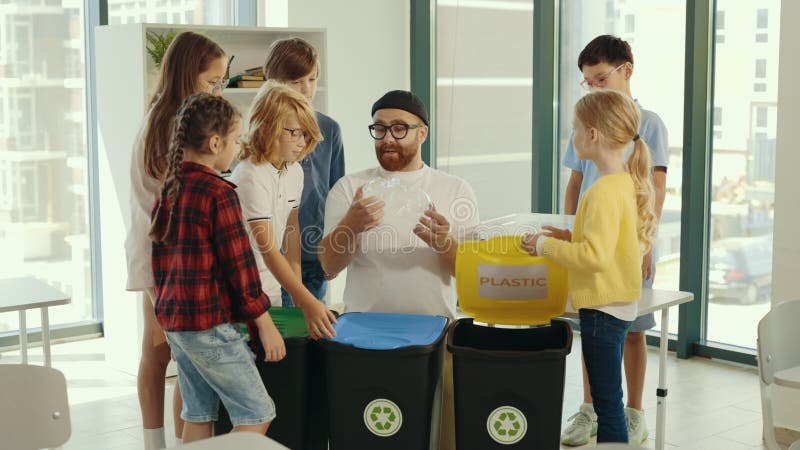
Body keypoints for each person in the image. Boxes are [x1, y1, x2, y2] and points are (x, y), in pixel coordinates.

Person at [319, 90, 479, 450]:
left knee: (433, 435)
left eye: (398, 128)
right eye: (379, 129)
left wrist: (444, 243)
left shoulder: (454, 190)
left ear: (422, 133)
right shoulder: (349, 189)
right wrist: (351, 225)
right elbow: (328, 266)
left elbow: (470, 277)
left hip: (434, 338)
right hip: (364, 338)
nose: (388, 137)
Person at [149, 93, 285, 444]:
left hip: (177, 326)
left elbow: (160, 267)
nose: (238, 149)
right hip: (209, 326)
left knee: (198, 414)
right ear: (214, 142)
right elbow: (240, 268)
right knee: (257, 412)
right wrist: (265, 323)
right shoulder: (219, 193)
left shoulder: (168, 191)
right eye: (236, 140)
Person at [523, 89, 657, 444]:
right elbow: (616, 244)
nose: (573, 136)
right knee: (610, 398)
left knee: (606, 402)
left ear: (593, 134)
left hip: (601, 309)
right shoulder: (626, 183)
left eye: (575, 129)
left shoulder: (599, 191)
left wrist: (543, 245)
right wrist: (569, 235)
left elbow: (594, 258)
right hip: (620, 303)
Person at [560, 34, 669, 446]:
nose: (595, 86)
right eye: (588, 81)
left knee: (631, 329)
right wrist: (572, 230)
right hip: (590, 238)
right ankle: (590, 409)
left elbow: (655, 189)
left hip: (629, 243)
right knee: (595, 329)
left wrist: (645, 243)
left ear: (626, 70)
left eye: (601, 78)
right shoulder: (588, 120)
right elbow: (574, 184)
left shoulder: (648, 123)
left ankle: (633, 412)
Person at [124, 31, 230, 449]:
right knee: (187, 357)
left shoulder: (161, 115)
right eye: (212, 82)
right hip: (168, 257)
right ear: (189, 76)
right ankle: (190, 443)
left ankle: (160, 443)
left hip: (153, 253)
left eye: (223, 83)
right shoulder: (175, 124)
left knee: (160, 352)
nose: (219, 91)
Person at [231, 80, 337, 340]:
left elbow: (291, 231)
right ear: (266, 128)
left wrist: (297, 293)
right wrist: (307, 301)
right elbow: (267, 250)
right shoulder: (250, 175)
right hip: (239, 291)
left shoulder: (295, 171)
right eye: (293, 132)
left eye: (305, 134)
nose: (301, 142)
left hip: (273, 289)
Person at [262, 37, 346, 306]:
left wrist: (335, 249)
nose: (306, 89)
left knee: (313, 333)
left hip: (315, 253)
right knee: (282, 337)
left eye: (311, 80)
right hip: (273, 255)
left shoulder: (329, 129)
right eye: (296, 81)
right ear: (273, 81)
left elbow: (337, 192)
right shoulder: (262, 130)